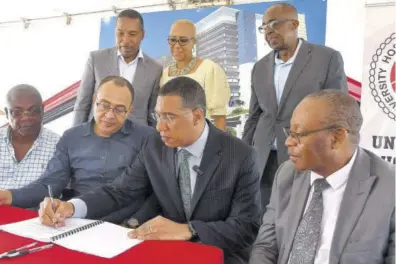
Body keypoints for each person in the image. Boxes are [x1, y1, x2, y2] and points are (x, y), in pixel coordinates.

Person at [37, 77, 261, 264]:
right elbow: (120, 191)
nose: (160, 127)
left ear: (197, 116)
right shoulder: (155, 145)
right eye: (158, 116)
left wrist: (189, 230)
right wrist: (70, 207)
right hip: (164, 252)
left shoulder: (240, 155)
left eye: (169, 117)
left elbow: (246, 227)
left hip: (218, 254)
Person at [0, 76, 157, 224]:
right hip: (76, 220)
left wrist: (136, 221)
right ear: (94, 100)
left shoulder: (147, 138)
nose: (109, 115)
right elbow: (50, 184)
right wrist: (8, 196)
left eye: (119, 109)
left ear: (130, 110)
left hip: (128, 225)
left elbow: (155, 190)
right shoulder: (71, 137)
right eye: (104, 105)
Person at [249, 90, 395, 264]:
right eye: (289, 132)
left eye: (298, 135)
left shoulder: (389, 186)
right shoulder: (287, 174)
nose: (288, 142)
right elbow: (266, 247)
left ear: (336, 138)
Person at [242, 3, 348, 208]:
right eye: (264, 27)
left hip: (307, 155)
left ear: (294, 24)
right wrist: (244, 154)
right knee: (265, 217)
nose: (268, 31)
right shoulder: (259, 67)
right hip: (264, 159)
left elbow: (339, 109)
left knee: (301, 214)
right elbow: (254, 116)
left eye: (274, 23)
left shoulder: (326, 58)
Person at [73, 9, 162, 127]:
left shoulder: (154, 69)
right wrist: (76, 138)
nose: (125, 40)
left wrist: (152, 142)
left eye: (132, 34)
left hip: (135, 141)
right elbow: (82, 104)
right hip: (97, 137)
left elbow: (152, 114)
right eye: (120, 33)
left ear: (142, 35)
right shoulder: (96, 59)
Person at [0, 85, 59, 196]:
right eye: (17, 112)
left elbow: (59, 194)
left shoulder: (58, 146)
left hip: (36, 212)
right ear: (7, 113)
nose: (26, 118)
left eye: (33, 111)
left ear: (42, 110)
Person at [160, 19, 231, 131]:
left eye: (183, 40)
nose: (177, 45)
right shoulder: (164, 73)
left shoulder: (209, 69)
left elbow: (219, 117)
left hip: (200, 139)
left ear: (194, 42)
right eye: (172, 40)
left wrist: (219, 146)